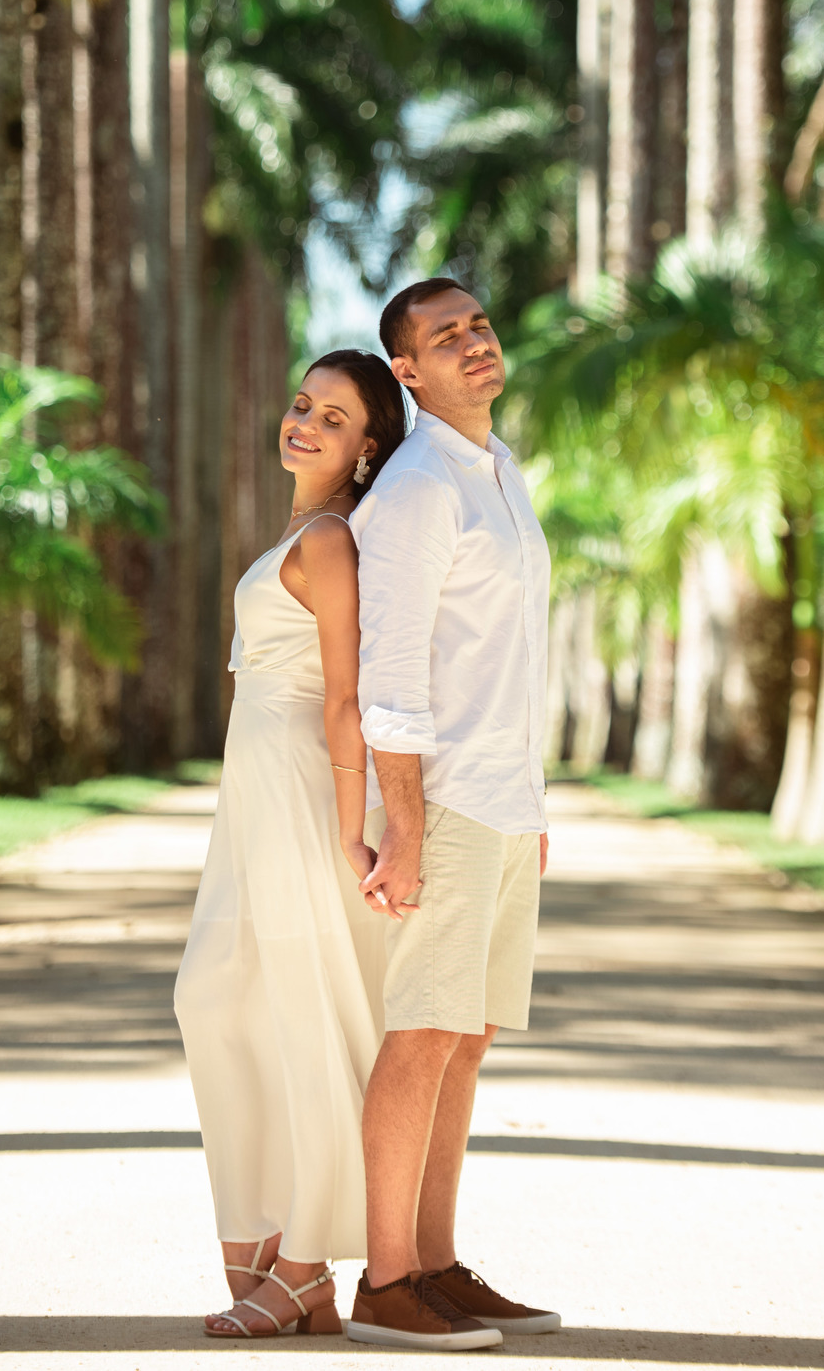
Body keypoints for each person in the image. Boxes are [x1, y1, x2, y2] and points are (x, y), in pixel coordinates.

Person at [343, 278, 562, 1352]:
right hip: (449, 801)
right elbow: (390, 674)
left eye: (480, 323)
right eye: (446, 336)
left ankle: (434, 1262)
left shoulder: (498, 469)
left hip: (502, 800)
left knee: (466, 1038)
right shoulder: (424, 484)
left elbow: (503, 661)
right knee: (423, 1030)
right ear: (408, 372)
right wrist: (411, 827)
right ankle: (386, 1281)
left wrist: (532, 806)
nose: (474, 342)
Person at [173, 349, 406, 1340]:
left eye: (336, 417)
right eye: (304, 404)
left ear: (367, 450)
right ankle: (260, 1238)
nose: (305, 422)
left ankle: (303, 1257)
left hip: (305, 797)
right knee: (214, 996)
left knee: (304, 1019)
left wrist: (351, 834)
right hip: (254, 793)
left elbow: (348, 699)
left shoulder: (329, 545)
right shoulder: (302, 534)